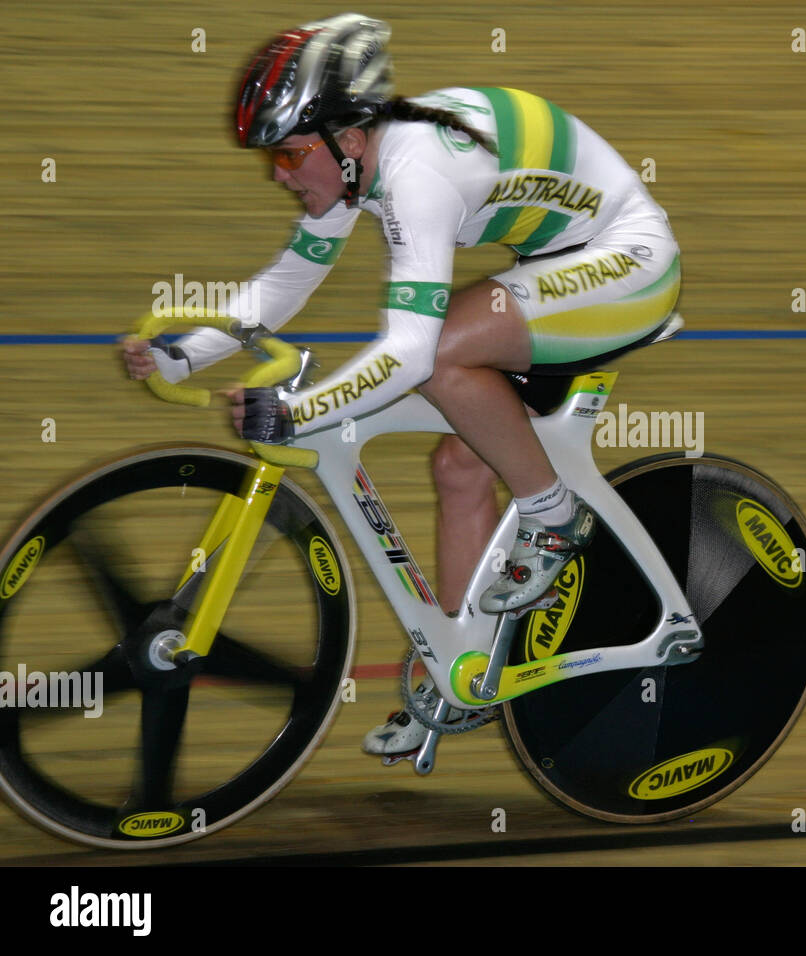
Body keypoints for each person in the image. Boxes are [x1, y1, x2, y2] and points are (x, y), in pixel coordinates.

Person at [121, 12, 682, 757]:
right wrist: (184, 355)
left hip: (629, 264)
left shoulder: (418, 177)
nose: (280, 175)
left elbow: (412, 355)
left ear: (347, 141)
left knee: (447, 356)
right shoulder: (361, 161)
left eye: (289, 156)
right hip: (562, 265)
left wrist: (299, 410)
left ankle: (552, 514)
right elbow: (287, 285)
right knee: (459, 463)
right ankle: (457, 675)